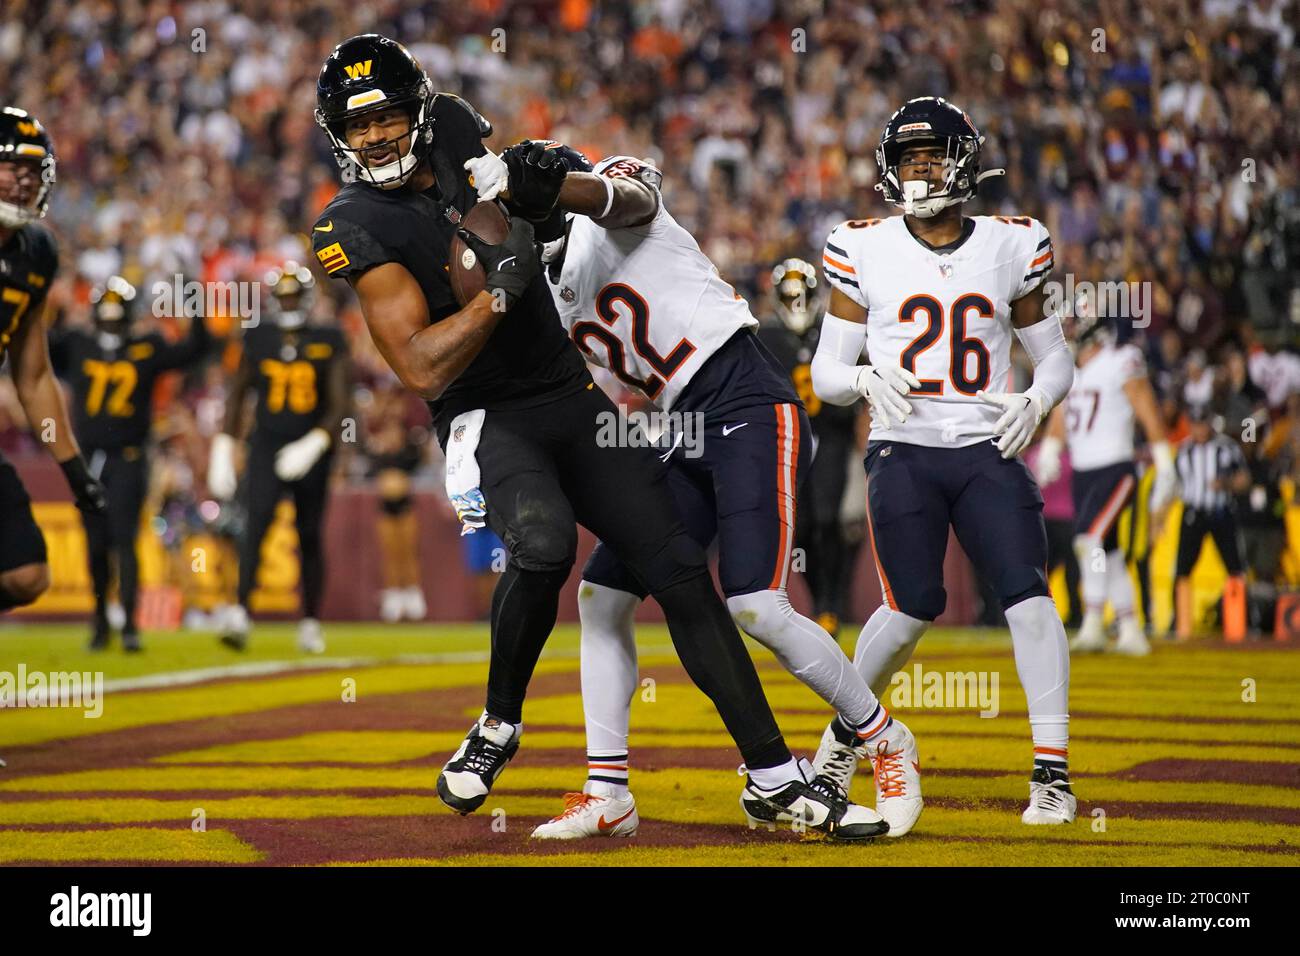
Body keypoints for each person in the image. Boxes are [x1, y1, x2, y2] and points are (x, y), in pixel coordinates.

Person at [307, 34, 883, 839]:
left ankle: (775, 776)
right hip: (485, 411)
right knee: (541, 546)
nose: (376, 137)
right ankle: (498, 725)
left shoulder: (462, 134)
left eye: (390, 117)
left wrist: (552, 185)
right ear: (337, 134)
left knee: (682, 571)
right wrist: (496, 299)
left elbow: (619, 198)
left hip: (572, 397)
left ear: (422, 111)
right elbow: (420, 367)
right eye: (358, 125)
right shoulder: (352, 222)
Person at [495, 144, 902, 839]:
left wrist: (557, 186)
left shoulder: (608, 207)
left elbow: (627, 197)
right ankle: (608, 790)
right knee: (602, 596)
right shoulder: (543, 289)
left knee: (757, 606)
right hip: (677, 424)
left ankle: (883, 740)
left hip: (745, 398)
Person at [811, 97, 1078, 825]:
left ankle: (1052, 774)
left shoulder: (1012, 243)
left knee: (1028, 595)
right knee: (910, 607)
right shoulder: (860, 245)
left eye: (930, 158)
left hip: (989, 447)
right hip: (904, 448)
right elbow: (827, 371)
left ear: (964, 161)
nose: (918, 171)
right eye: (907, 160)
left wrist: (1035, 399)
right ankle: (844, 738)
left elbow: (1055, 359)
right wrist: (864, 377)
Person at [50, 276, 210, 651]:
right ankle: (101, 620)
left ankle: (129, 625)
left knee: (124, 539)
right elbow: (42, 349)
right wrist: (53, 308)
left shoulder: (146, 346)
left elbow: (194, 349)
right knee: (95, 544)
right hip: (89, 457)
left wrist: (195, 309)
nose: (109, 322)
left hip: (129, 455)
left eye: (115, 315)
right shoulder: (79, 343)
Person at [207, 261, 349, 654]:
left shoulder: (329, 337)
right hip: (266, 443)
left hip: (311, 448)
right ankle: (239, 611)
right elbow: (238, 393)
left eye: (293, 296)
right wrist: (224, 444)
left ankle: (310, 621)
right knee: (255, 526)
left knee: (308, 533)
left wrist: (317, 442)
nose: (287, 302)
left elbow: (341, 403)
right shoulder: (259, 336)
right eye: (282, 296)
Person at [0, 106, 106, 617]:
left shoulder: (36, 252)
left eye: (32, 169)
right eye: (12, 167)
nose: (23, 181)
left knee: (26, 575)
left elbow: (32, 372)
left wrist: (73, 466)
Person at [1035, 314, 1177, 655]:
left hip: (1116, 467)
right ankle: (1130, 629)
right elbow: (1061, 416)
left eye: (1073, 328)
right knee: (1108, 554)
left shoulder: (1119, 361)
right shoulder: (1073, 371)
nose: (1067, 335)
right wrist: (1051, 449)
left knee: (1088, 540)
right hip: (1084, 473)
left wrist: (1164, 461)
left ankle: (1094, 622)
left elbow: (1146, 407)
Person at [757, 258, 862, 637]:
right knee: (798, 532)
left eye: (802, 296)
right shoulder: (764, 337)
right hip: (788, 441)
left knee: (827, 520)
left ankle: (830, 604)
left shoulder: (831, 332)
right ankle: (823, 602)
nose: (797, 304)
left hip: (831, 436)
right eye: (790, 297)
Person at [1173, 405, 1249, 638]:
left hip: (1220, 512)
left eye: (1203, 423)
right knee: (1183, 569)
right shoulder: (1183, 450)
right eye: (1195, 424)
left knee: (1234, 567)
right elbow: (1174, 486)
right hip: (1193, 513)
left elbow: (1244, 480)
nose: (1199, 429)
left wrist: (1225, 484)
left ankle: (1239, 625)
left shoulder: (1226, 447)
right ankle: (1180, 625)